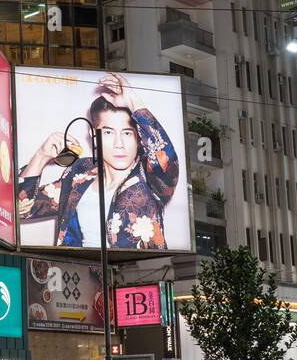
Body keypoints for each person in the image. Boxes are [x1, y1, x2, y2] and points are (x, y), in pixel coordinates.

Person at [17, 73, 180, 248]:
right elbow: (22, 209)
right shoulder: (79, 174)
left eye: (127, 133)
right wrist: (41, 156)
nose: (119, 144)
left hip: (137, 273)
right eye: (108, 132)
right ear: (94, 137)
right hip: (79, 273)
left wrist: (133, 101)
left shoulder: (148, 176)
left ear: (138, 138)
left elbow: (167, 163)